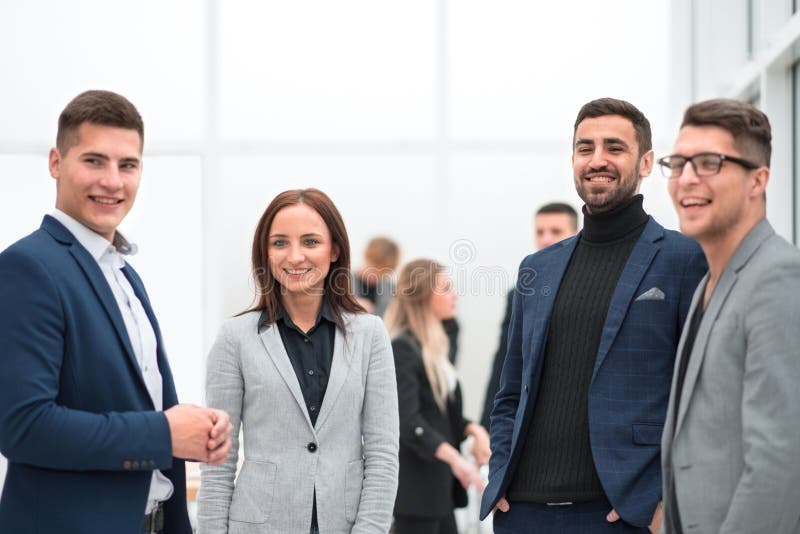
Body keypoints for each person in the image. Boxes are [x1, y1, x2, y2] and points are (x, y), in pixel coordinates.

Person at [0, 90, 232, 534]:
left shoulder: (124, 274)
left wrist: (193, 427)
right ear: (55, 162)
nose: (113, 181)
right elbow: (24, 427)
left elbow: (122, 400)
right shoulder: (27, 268)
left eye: (128, 165)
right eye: (94, 161)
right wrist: (164, 434)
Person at [480, 98, 707, 533]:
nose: (597, 160)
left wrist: (661, 498)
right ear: (572, 161)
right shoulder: (537, 268)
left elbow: (700, 395)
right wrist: (500, 477)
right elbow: (509, 392)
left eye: (614, 148)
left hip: (619, 513)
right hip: (522, 510)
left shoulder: (684, 259)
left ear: (645, 163)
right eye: (585, 148)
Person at [197, 188, 399, 534]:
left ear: (334, 249)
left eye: (310, 242)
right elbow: (218, 463)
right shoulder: (235, 337)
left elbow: (382, 454)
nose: (294, 256)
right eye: (279, 243)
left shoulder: (370, 334)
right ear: (265, 251)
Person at [659, 99, 800, 533]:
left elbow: (779, 463)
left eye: (709, 163)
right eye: (679, 163)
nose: (686, 179)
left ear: (759, 179)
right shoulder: (710, 281)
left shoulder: (778, 277)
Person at [385, 259, 490, 534]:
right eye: (446, 288)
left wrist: (473, 430)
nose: (455, 295)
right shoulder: (402, 349)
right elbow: (409, 421)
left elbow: (440, 413)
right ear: (423, 297)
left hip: (438, 488)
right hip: (416, 491)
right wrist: (456, 460)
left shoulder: (435, 350)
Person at [480, 202, 579, 430]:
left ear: (576, 234)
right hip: (533, 419)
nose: (545, 239)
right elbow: (504, 361)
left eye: (555, 231)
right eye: (540, 232)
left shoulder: (592, 287)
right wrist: (487, 423)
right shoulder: (520, 293)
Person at [353, 236, 400, 317]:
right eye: (374, 268)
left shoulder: (392, 290)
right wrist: (350, 305)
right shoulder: (341, 282)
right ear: (365, 256)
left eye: (383, 272)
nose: (377, 275)